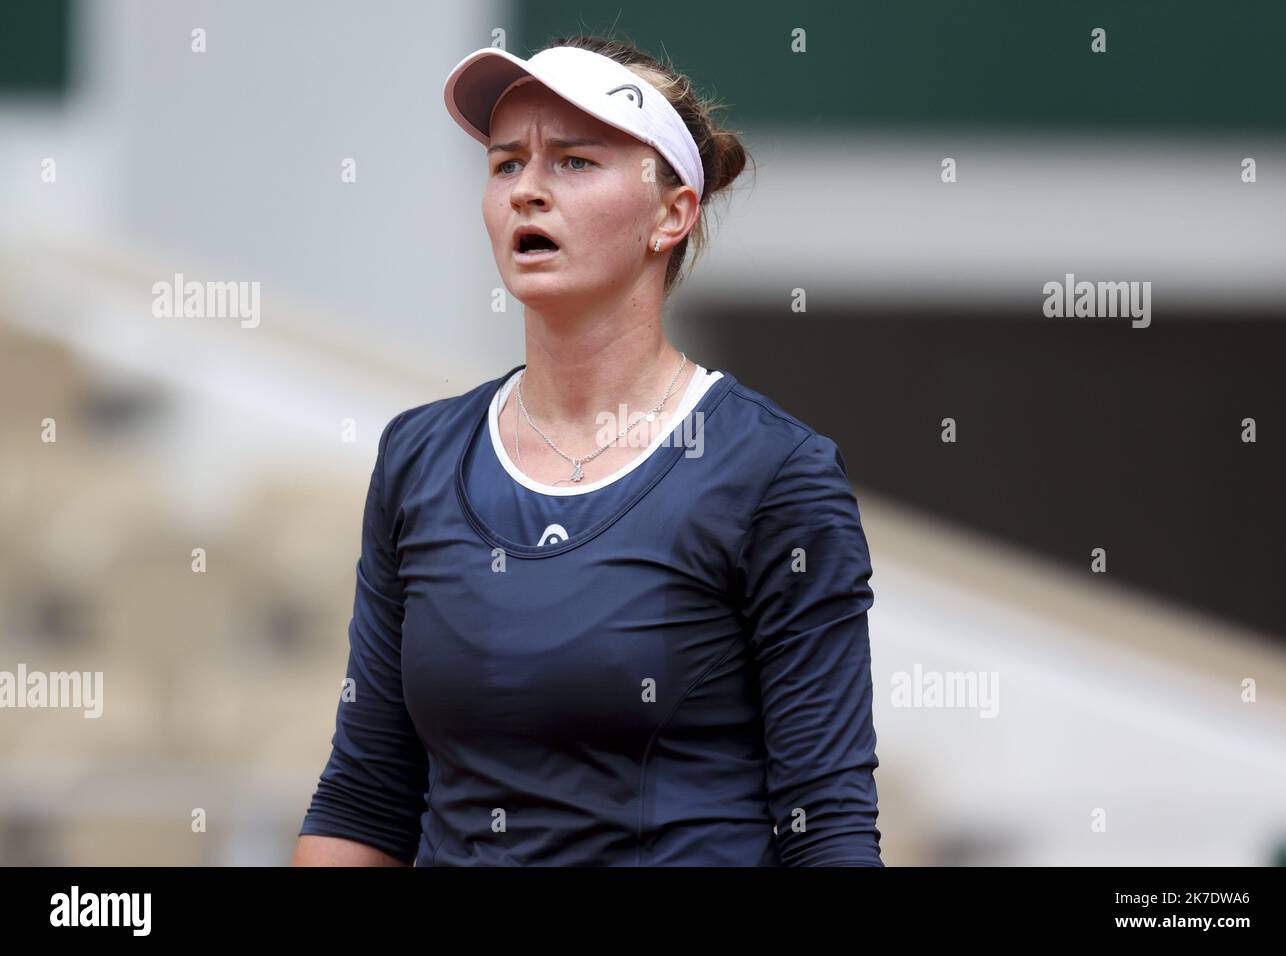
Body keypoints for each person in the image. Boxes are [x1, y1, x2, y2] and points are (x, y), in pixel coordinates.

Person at [293, 33, 882, 866]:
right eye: (505, 165)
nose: (528, 190)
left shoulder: (775, 473)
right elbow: (366, 796)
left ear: (671, 213)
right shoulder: (417, 455)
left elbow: (826, 829)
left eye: (573, 162)